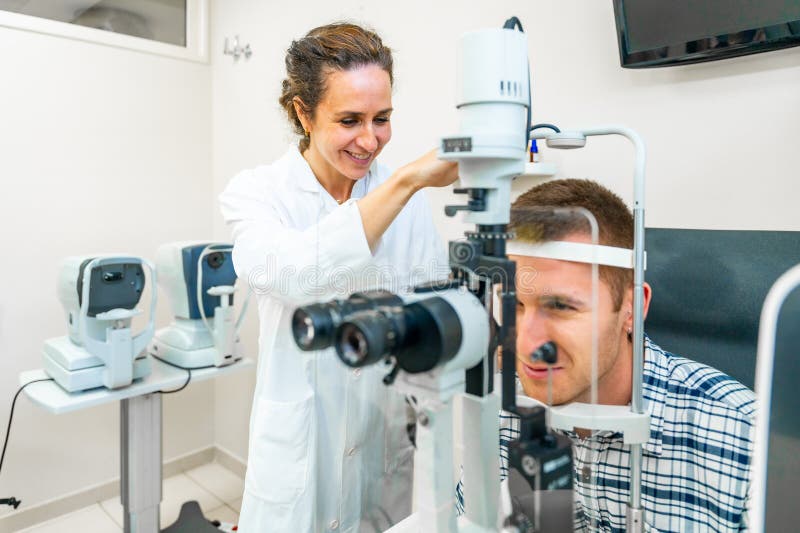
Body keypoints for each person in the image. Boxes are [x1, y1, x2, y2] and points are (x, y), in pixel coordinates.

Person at [219, 23, 457, 532]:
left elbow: (432, 310)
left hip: (384, 445)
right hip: (301, 453)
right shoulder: (257, 193)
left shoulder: (406, 208)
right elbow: (298, 275)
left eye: (383, 118)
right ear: (303, 112)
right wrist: (408, 180)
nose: (370, 140)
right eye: (350, 119)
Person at [460, 179, 755, 532]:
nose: (525, 341)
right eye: (513, 305)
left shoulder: (743, 441)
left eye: (559, 306)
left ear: (631, 309)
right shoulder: (501, 413)